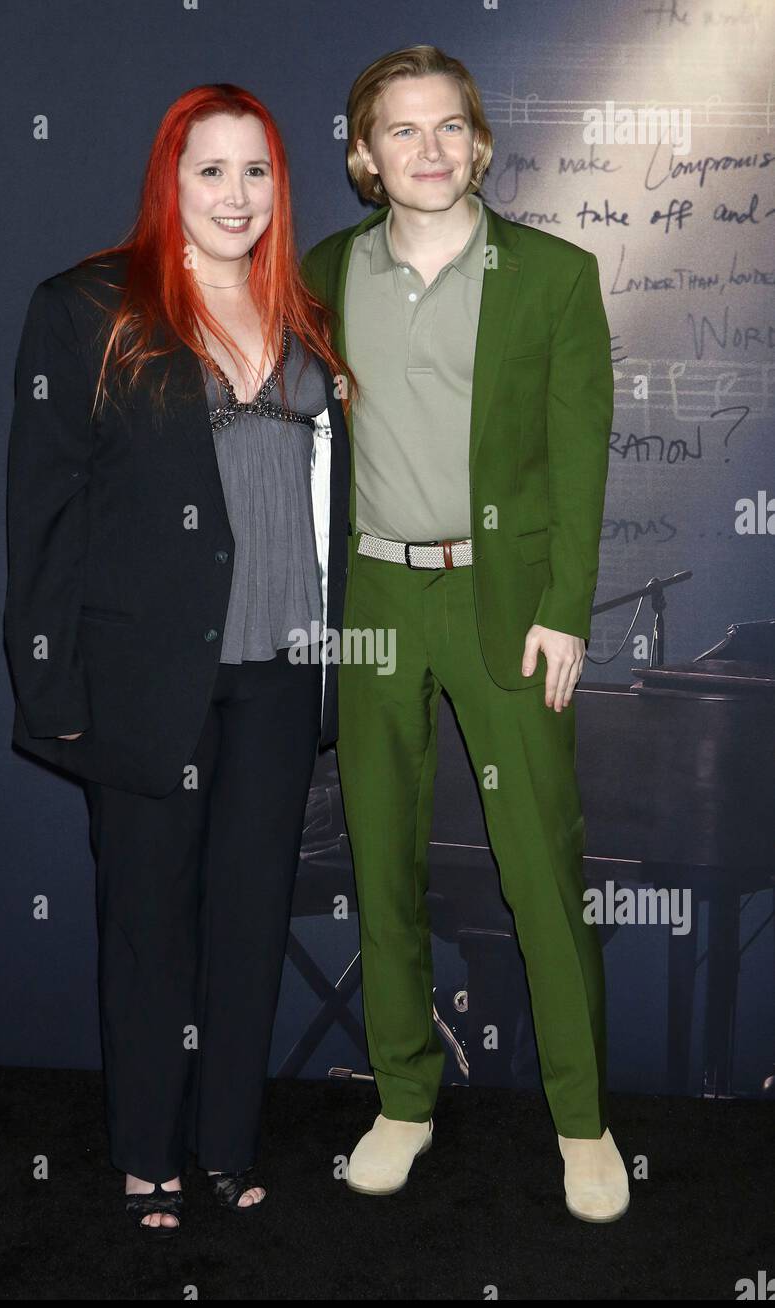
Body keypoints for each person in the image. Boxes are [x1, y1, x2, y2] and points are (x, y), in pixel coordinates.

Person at [4, 84, 352, 1236]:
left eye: (256, 172)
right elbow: (42, 511)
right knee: (150, 923)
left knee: (251, 920)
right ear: (170, 179)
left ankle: (224, 1145)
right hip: (147, 679)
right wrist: (46, 684)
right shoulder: (88, 307)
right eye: (211, 170)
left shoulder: (301, 310)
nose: (236, 194)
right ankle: (147, 1153)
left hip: (277, 674)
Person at [301, 45, 629, 1222]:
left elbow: (580, 456)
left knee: (539, 866)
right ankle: (401, 1098)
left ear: (478, 142)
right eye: (401, 131)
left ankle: (582, 1123)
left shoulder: (552, 273)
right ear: (362, 152)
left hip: (505, 604)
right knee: (379, 861)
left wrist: (564, 611)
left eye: (448, 128)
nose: (429, 150)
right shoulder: (322, 273)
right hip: (374, 604)